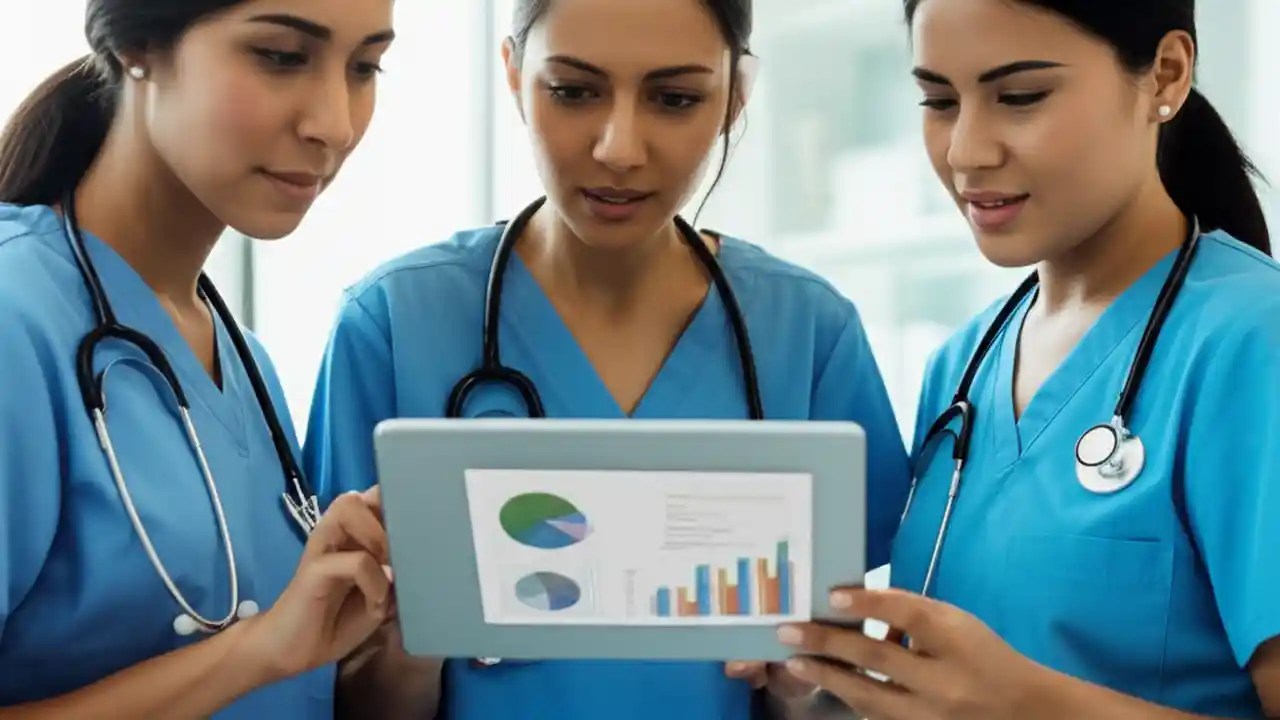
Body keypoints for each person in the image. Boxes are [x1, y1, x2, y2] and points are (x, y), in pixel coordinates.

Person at [302, 0, 913, 717]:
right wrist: (410, 647)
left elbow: (827, 694)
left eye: (675, 98)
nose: (619, 148)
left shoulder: (810, 331)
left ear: (735, 98)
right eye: (574, 91)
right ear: (513, 75)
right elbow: (341, 693)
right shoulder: (393, 324)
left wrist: (800, 689)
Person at [773, 1, 1280, 718]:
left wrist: (1030, 706)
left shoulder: (1254, 342)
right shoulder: (961, 367)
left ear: (1166, 74)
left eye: (1020, 97)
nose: (966, 151)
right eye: (940, 101)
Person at [0, 1, 435, 717]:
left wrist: (404, 633)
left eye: (364, 67)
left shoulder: (245, 364)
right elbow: (262, 655)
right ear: (138, 44)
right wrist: (257, 649)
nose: (335, 123)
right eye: (280, 56)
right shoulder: (18, 323)